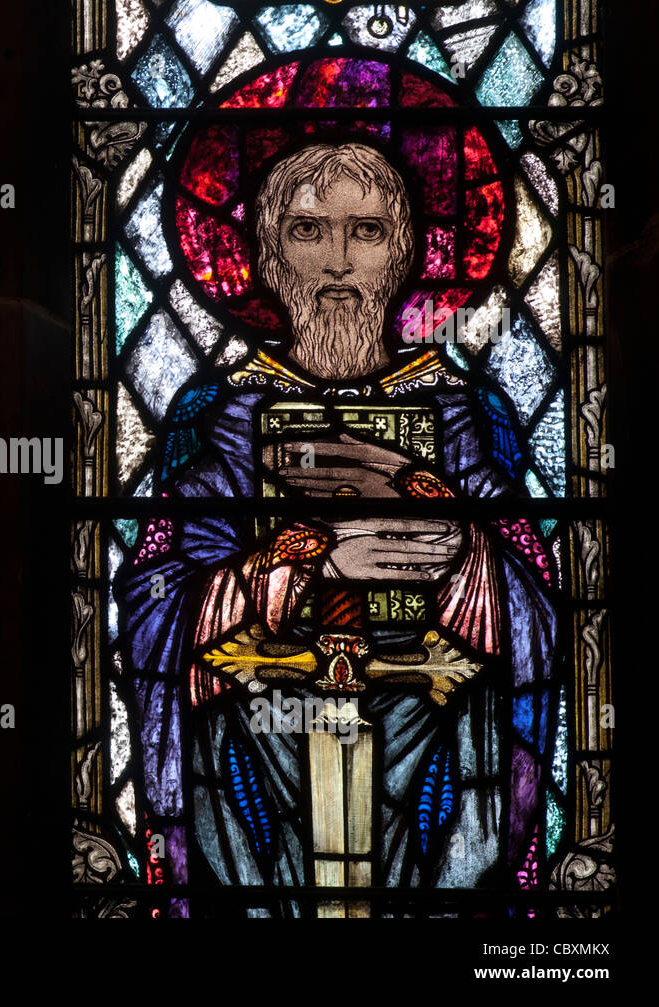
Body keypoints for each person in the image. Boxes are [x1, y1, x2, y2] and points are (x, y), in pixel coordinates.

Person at [118, 143, 557, 917]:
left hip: (434, 718)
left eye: (367, 231)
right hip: (260, 729)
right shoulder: (227, 415)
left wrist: (452, 541)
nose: (338, 262)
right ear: (264, 255)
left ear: (407, 252)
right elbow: (157, 596)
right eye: (308, 230)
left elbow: (533, 600)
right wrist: (306, 562)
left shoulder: (459, 412)